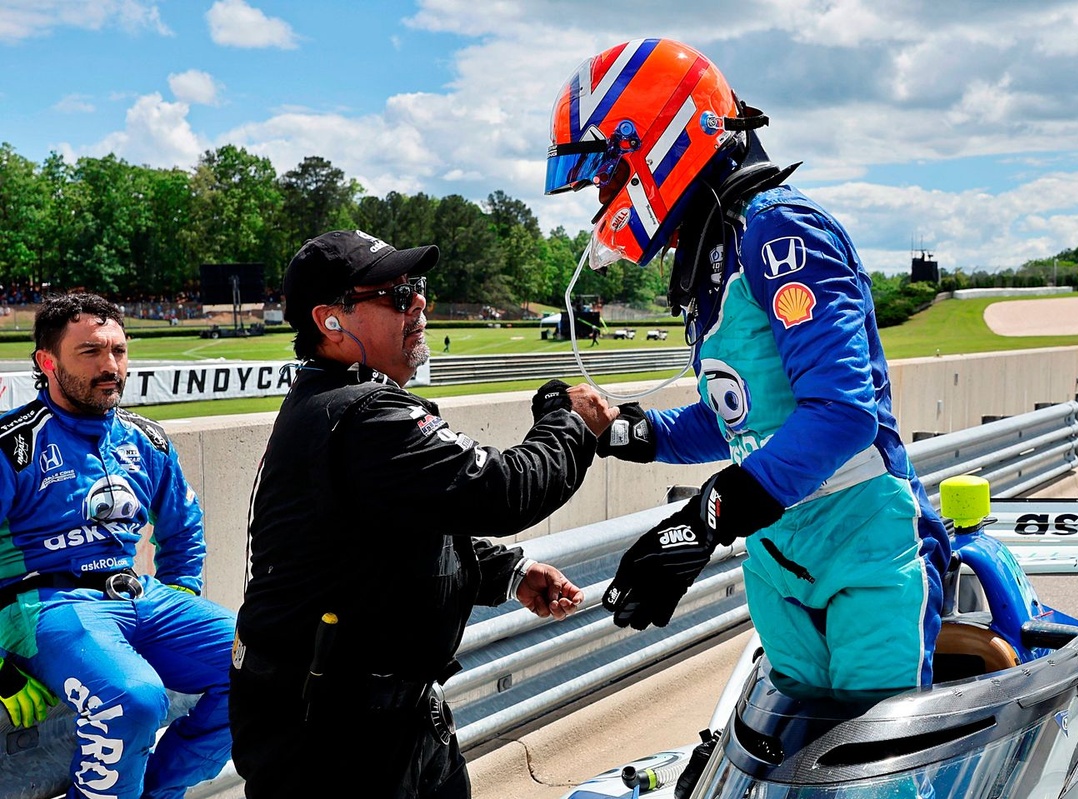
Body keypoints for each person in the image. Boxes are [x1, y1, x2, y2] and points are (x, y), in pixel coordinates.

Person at [545, 39, 950, 695]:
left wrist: (707, 516)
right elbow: (737, 416)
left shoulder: (780, 231)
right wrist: (620, 431)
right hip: (777, 552)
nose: (603, 203)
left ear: (663, 143)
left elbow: (843, 410)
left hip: (864, 544)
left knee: (870, 774)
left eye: (610, 177)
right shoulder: (715, 257)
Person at [228, 229, 618, 799]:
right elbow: (503, 491)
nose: (418, 304)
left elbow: (396, 534)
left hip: (388, 716)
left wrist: (506, 573)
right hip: (333, 739)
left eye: (416, 287)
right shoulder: (360, 415)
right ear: (330, 319)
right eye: (393, 295)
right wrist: (571, 421)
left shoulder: (344, 402)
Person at [0, 293, 236, 798]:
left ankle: (158, 792)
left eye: (119, 351)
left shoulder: (146, 438)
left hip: (141, 596)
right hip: (46, 605)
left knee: (266, 660)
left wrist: (181, 595)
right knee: (134, 699)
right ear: (47, 362)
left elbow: (184, 528)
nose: (111, 367)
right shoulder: (12, 444)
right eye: (90, 352)